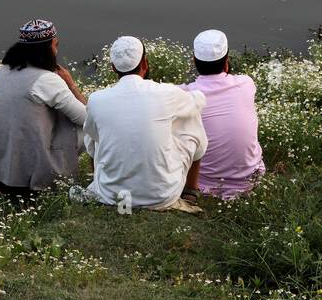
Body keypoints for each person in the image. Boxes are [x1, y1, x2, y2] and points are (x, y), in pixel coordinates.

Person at [81, 36, 208, 214]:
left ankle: (99, 182)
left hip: (112, 196)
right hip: (162, 196)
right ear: (145, 63)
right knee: (190, 122)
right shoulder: (167, 92)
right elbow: (198, 101)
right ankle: (191, 191)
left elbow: (93, 141)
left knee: (92, 135)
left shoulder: (96, 99)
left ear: (113, 68)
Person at [0, 19, 87, 193]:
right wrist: (71, 85)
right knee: (93, 130)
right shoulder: (46, 79)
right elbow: (88, 119)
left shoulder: (2, 71)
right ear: (47, 48)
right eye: (55, 45)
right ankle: (102, 184)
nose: (57, 51)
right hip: (33, 164)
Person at [180, 29, 265, 199]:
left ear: (194, 61)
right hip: (250, 181)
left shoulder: (185, 95)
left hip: (203, 184)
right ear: (227, 61)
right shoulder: (246, 83)